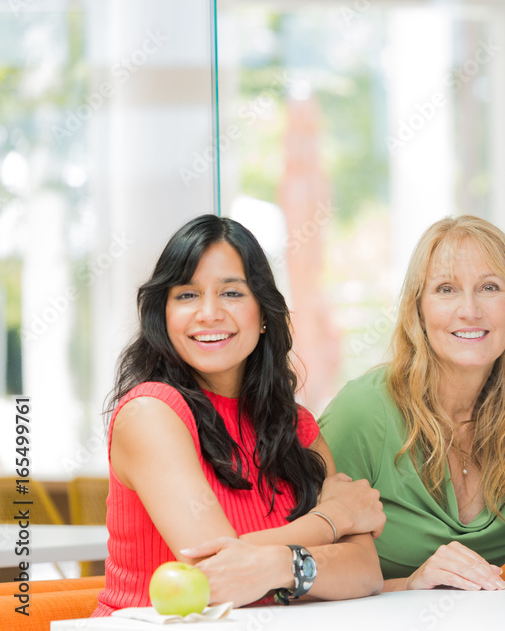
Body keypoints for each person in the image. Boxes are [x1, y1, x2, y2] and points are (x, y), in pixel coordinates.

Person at [95, 215, 385, 616]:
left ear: (263, 313)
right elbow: (216, 575)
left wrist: (279, 565)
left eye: (231, 293)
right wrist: (335, 517)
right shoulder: (151, 412)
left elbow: (366, 572)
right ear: (163, 314)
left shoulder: (296, 426)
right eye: (186, 295)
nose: (209, 313)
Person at [319, 215, 505, 591]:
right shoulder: (362, 411)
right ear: (419, 309)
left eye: (489, 287)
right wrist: (411, 584)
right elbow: (304, 569)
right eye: (446, 289)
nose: (469, 310)